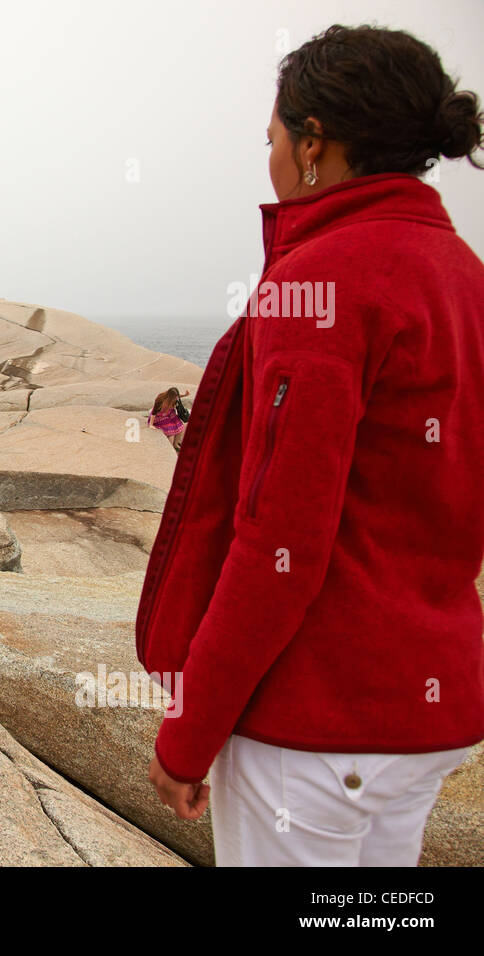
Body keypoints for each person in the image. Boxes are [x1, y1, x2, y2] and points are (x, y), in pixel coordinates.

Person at [138, 23, 484, 867]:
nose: (272, 158)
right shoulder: (466, 277)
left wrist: (190, 732)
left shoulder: (321, 281)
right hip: (425, 714)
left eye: (274, 139)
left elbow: (279, 543)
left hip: (317, 724)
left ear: (316, 143)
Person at [146, 387, 188, 451]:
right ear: (170, 396)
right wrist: (151, 425)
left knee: (179, 425)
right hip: (160, 416)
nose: (176, 398)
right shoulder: (160, 399)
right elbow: (154, 412)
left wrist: (185, 395)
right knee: (171, 432)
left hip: (169, 413)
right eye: (175, 397)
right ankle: (170, 448)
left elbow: (178, 396)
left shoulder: (174, 398)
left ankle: (176, 444)